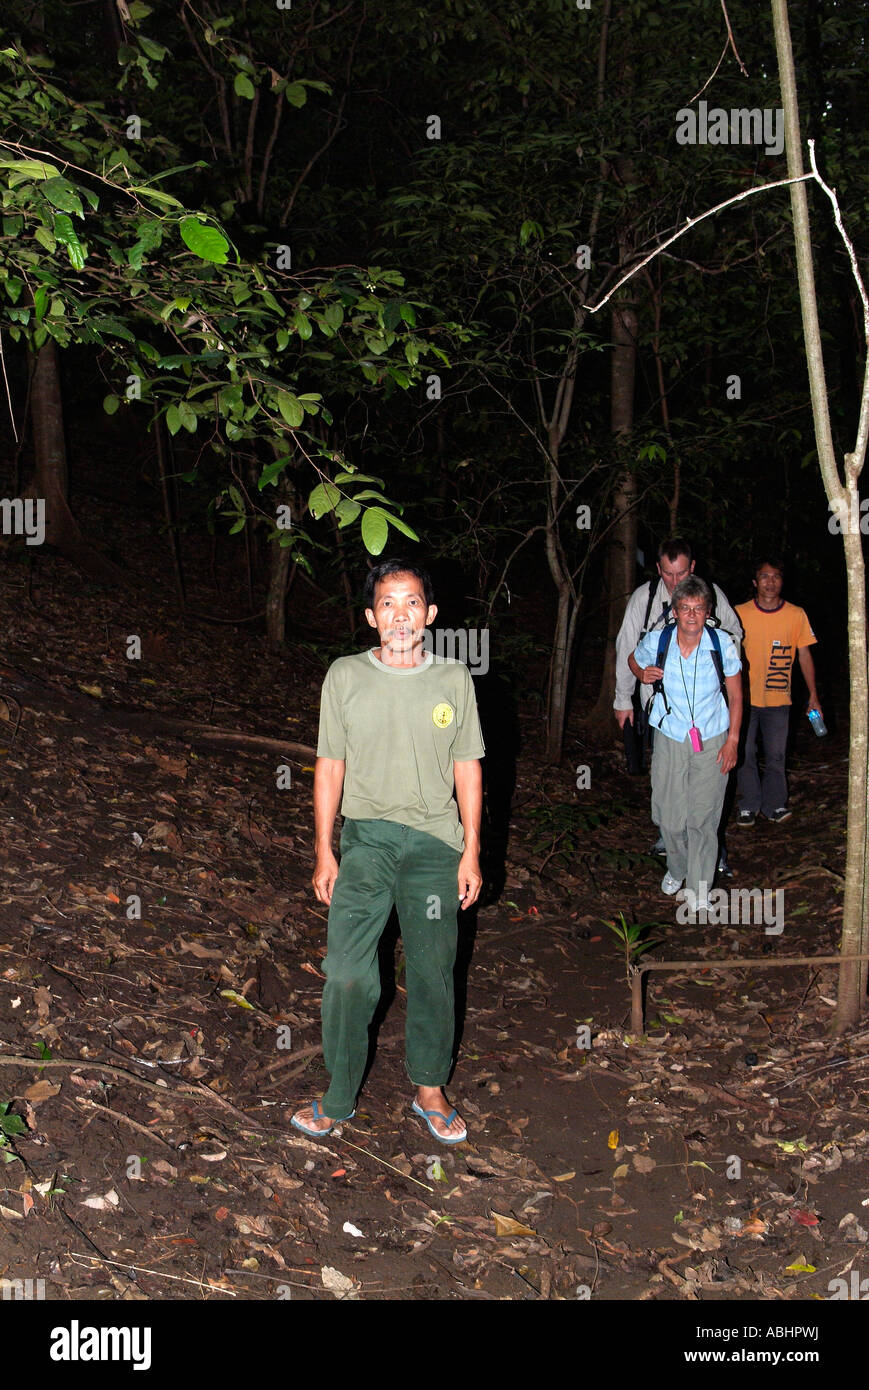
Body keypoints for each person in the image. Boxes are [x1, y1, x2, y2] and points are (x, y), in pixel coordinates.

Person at [292, 559, 485, 1145]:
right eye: (388, 603)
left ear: (430, 614)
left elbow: (468, 767)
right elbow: (330, 765)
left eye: (412, 602)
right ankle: (340, 1093)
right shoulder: (345, 675)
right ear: (371, 617)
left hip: (435, 845)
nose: (401, 615)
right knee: (348, 972)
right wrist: (324, 849)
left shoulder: (453, 677)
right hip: (367, 842)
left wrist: (471, 850)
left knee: (433, 971)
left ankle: (429, 1087)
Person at [614, 538, 742, 866]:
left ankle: (710, 852)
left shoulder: (709, 595)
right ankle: (673, 841)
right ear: (658, 569)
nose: (674, 581)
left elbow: (735, 634)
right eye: (668, 574)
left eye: (681, 573)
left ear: (692, 567)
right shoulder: (644, 599)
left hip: (706, 710)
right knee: (670, 782)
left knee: (705, 787)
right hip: (661, 711)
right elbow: (627, 647)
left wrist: (707, 640)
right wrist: (624, 697)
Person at [630, 577, 742, 907]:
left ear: (708, 612)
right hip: (670, 734)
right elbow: (633, 659)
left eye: (698, 608)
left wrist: (733, 740)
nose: (691, 615)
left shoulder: (721, 644)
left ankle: (699, 887)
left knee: (703, 818)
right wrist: (641, 673)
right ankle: (677, 868)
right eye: (685, 608)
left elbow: (736, 695)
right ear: (675, 612)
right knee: (668, 817)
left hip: (712, 736)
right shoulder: (659, 639)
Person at [735, 559, 821, 826]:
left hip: (778, 697)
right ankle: (748, 804)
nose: (770, 582)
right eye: (764, 576)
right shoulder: (738, 613)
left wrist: (813, 694)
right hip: (744, 699)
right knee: (745, 752)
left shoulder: (796, 614)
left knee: (776, 755)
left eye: (775, 577)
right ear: (755, 582)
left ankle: (775, 805)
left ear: (782, 581)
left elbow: (804, 655)